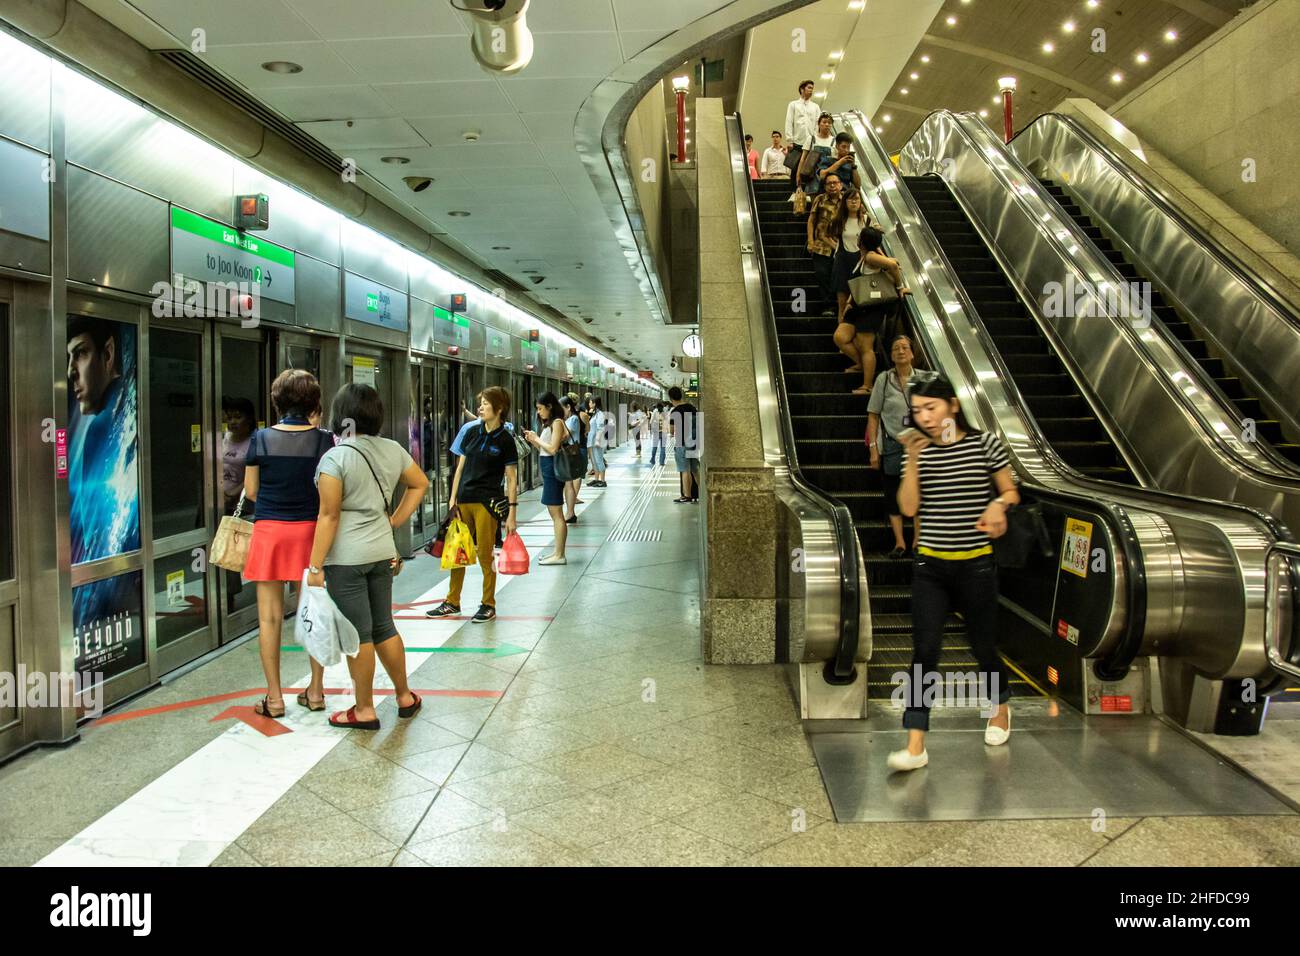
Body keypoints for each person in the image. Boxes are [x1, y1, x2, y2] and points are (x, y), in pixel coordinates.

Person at [888, 375, 1019, 772]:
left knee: (983, 647)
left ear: (953, 406)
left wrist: (999, 505)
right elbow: (909, 509)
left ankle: (999, 708)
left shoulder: (983, 444)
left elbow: (1011, 491)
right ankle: (915, 744)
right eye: (917, 411)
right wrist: (911, 458)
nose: (924, 417)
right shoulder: (921, 454)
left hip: (976, 565)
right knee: (924, 651)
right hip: (930, 567)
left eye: (932, 407)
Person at [306, 383, 428, 730]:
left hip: (346, 559)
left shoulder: (335, 458)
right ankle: (405, 697)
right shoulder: (393, 450)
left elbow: (328, 516)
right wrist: (394, 520)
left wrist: (315, 565)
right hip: (381, 552)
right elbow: (420, 484)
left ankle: (364, 709)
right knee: (384, 624)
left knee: (359, 634)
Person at [242, 369, 332, 718]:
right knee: (314, 612)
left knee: (269, 619)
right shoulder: (324, 441)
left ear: (277, 400)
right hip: (311, 534)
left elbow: (251, 492)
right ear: (313, 402)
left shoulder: (260, 439)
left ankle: (275, 698)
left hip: (270, 533)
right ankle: (316, 691)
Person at [426, 386, 519, 623]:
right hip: (464, 501)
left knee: (485, 555)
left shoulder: (506, 440)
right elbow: (460, 467)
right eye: (481, 403)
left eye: (486, 403)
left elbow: (511, 478)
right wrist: (452, 498)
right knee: (457, 553)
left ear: (499, 409)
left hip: (487, 504)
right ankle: (452, 602)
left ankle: (488, 604)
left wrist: (511, 513)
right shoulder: (471, 432)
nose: (481, 407)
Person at [867, 335, 936, 558]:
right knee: (893, 494)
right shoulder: (883, 380)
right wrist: (873, 449)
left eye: (905, 347)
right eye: (895, 348)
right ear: (891, 355)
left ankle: (917, 541)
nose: (900, 351)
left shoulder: (925, 379)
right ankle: (899, 543)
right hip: (893, 444)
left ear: (913, 353)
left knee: (920, 492)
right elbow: (873, 416)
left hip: (919, 445)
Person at [840, 224, 910, 394]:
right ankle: (861, 364)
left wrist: (900, 287)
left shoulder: (871, 257)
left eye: (859, 237)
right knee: (840, 337)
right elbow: (860, 281)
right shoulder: (866, 255)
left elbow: (893, 266)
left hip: (871, 308)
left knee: (866, 346)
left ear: (862, 241)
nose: (856, 239)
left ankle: (867, 385)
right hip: (859, 305)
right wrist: (850, 301)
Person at [523, 391, 570, 566]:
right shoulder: (549, 424)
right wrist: (533, 440)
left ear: (550, 407)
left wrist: (537, 439)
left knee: (557, 513)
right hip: (548, 468)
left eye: (541, 408)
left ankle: (560, 554)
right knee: (553, 512)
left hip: (553, 469)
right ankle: (557, 551)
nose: (538, 412)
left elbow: (552, 449)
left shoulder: (557, 423)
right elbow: (544, 449)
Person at [806, 171, 845, 317]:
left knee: (838, 276)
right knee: (822, 274)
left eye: (835, 183)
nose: (832, 186)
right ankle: (828, 306)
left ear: (840, 185)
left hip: (841, 246)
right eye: (829, 183)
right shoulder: (820, 199)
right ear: (825, 186)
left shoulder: (847, 200)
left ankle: (840, 306)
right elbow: (811, 220)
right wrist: (810, 240)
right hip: (821, 245)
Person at [667, 386, 699, 502]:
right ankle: (704, 492)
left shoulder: (675, 411)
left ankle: (687, 495)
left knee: (685, 470)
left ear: (671, 398)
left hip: (682, 443)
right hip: (694, 442)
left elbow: (671, 430)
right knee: (695, 469)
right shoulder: (692, 407)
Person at [796, 112, 836, 196]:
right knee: (814, 201)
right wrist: (798, 174)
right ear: (819, 123)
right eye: (824, 122)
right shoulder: (811, 139)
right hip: (812, 176)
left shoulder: (835, 141)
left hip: (829, 177)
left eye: (829, 123)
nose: (827, 125)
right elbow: (803, 159)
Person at [561, 395, 584, 523]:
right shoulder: (568, 418)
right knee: (567, 483)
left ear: (568, 407)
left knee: (569, 483)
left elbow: (564, 436)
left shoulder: (574, 419)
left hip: (571, 452)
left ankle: (570, 512)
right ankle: (569, 512)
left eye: (562, 409)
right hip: (568, 453)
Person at [784, 80, 820, 161]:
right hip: (797, 142)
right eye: (809, 88)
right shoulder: (793, 105)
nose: (811, 90)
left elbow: (817, 124)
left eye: (812, 88)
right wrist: (790, 141)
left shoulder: (816, 107)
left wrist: (815, 140)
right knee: (795, 170)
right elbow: (789, 122)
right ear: (802, 89)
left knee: (808, 169)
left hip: (811, 143)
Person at [587, 396, 609, 487]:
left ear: (595, 403)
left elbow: (600, 428)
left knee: (599, 459)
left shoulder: (600, 414)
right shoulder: (594, 414)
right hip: (592, 440)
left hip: (597, 441)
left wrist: (597, 440)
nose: (589, 404)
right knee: (594, 460)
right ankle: (596, 479)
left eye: (590, 402)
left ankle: (603, 481)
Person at [648, 402, 667, 466]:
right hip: (663, 431)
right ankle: (661, 462)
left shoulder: (655, 411)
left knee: (655, 446)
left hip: (656, 432)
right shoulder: (665, 412)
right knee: (663, 447)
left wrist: (651, 431)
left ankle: (653, 460)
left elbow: (651, 421)